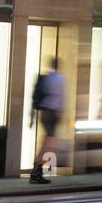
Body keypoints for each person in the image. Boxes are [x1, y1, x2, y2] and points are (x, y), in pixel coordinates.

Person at [30, 57, 65, 185]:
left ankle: (37, 172)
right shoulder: (60, 78)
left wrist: (32, 117)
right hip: (52, 114)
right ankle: (36, 172)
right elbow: (61, 98)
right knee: (50, 146)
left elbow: (36, 97)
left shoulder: (46, 78)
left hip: (45, 113)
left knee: (48, 144)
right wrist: (61, 113)